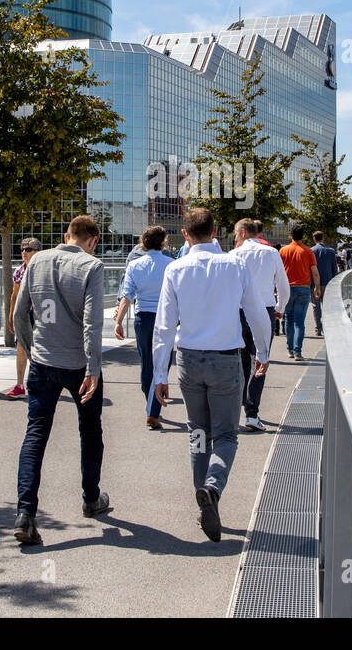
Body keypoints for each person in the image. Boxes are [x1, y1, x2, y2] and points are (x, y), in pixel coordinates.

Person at [153, 208, 270, 541]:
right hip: (225, 360)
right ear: (216, 231)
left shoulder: (175, 269)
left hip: (189, 360)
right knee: (226, 436)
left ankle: (202, 498)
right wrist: (262, 352)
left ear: (185, 235)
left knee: (198, 432)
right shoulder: (235, 265)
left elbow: (163, 326)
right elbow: (256, 313)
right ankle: (212, 488)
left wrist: (160, 373)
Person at [11, 215, 109, 545]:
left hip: (42, 361)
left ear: (66, 234)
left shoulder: (37, 260)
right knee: (90, 429)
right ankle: (90, 497)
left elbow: (17, 313)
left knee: (36, 433)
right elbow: (92, 325)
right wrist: (93, 369)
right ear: (92, 240)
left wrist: (31, 347)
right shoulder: (92, 267)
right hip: (79, 365)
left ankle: (26, 513)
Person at [114, 226, 174, 429]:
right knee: (163, 361)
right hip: (165, 319)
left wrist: (119, 321)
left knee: (146, 362)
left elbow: (127, 295)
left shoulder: (135, 265)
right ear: (164, 242)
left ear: (143, 243)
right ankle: (153, 410)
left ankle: (150, 403)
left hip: (142, 318)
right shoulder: (171, 265)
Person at [233, 217, 289, 432]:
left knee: (241, 359)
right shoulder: (271, 253)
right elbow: (283, 285)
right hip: (264, 309)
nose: (235, 237)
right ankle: (252, 412)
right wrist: (280, 307)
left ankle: (238, 406)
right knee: (260, 359)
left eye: (237, 233)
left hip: (239, 310)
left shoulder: (234, 255)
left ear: (244, 232)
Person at [4, 238, 41, 399]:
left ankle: (40, 381)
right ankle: (20, 384)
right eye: (22, 249)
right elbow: (15, 295)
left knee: (40, 349)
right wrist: (12, 316)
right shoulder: (20, 271)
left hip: (40, 315)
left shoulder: (42, 270)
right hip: (25, 314)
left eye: (28, 249)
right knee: (21, 347)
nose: (24, 253)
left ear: (37, 252)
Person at [279, 223, 321, 361]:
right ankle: (298, 351)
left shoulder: (283, 251)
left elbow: (278, 272)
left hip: (287, 288)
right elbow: (315, 272)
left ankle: (290, 349)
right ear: (303, 236)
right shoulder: (308, 251)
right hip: (303, 288)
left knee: (288, 320)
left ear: (290, 236)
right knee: (299, 322)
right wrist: (317, 287)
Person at [309, 230, 337, 337]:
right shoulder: (330, 251)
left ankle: (318, 329)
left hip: (314, 283)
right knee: (326, 306)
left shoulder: (311, 251)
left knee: (316, 306)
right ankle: (327, 328)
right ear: (323, 238)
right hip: (328, 282)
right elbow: (334, 268)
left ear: (314, 239)